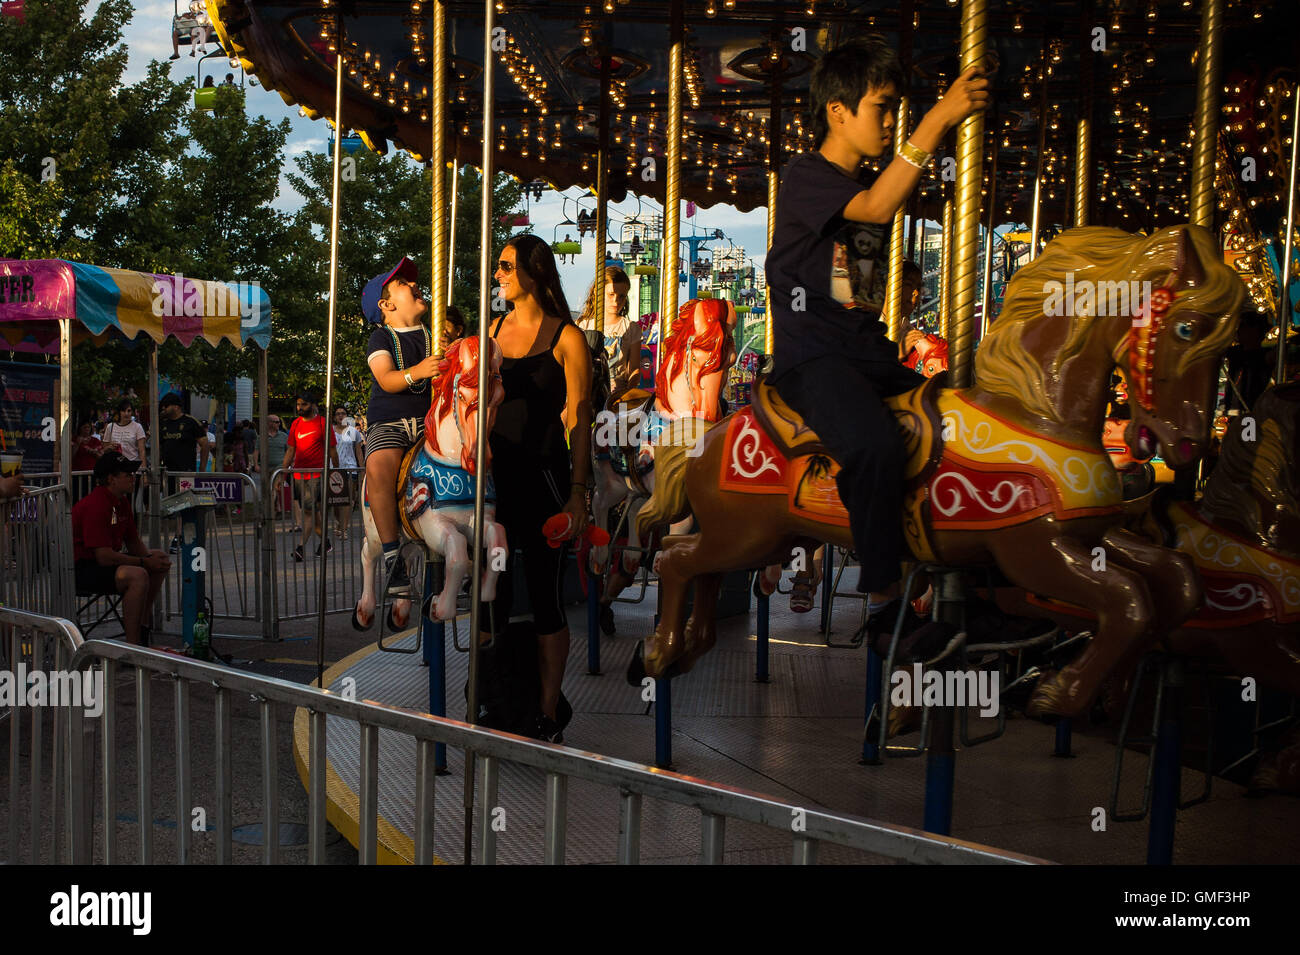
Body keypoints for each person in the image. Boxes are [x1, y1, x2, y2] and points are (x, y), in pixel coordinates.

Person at [765, 35, 987, 647]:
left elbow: (858, 293)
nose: (890, 121)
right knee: (873, 446)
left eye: (895, 110)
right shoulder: (810, 177)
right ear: (838, 112)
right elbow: (879, 205)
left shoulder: (857, 186)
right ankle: (885, 595)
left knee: (962, 426)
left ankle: (972, 579)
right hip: (812, 358)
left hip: (864, 353)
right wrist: (939, 119)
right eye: (880, 108)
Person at [468, 233, 593, 743]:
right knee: (487, 593)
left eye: (504, 266)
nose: (496, 274)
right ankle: (489, 697)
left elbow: (582, 419)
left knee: (545, 595)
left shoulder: (567, 337)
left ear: (533, 272)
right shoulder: (493, 330)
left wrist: (579, 490)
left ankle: (545, 711)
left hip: (544, 477)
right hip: (495, 481)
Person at [360, 256, 440, 595]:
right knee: (379, 465)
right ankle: (392, 556)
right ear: (386, 304)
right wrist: (420, 371)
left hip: (428, 421)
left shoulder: (433, 336)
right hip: (390, 419)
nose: (413, 285)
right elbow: (387, 379)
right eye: (403, 284)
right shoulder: (381, 339)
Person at [71, 451, 170, 645]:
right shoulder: (96, 505)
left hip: (104, 562)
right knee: (137, 575)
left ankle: (142, 626)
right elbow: (104, 557)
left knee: (160, 560)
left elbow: (133, 541)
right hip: (81, 568)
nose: (133, 478)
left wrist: (151, 559)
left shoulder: (122, 501)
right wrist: (143, 562)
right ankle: (132, 647)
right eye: (127, 475)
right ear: (111, 479)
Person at [273, 392, 337, 561]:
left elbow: (332, 450)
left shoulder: (323, 423)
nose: (300, 408)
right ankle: (326, 543)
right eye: (298, 405)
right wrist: (282, 474)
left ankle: (300, 548)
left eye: (304, 404)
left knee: (308, 511)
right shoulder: (295, 423)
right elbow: (291, 450)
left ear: (313, 405)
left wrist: (337, 472)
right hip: (298, 475)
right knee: (313, 512)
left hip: (317, 474)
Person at [577, 266, 642, 398]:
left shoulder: (630, 328)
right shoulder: (583, 326)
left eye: (621, 296)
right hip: (588, 391)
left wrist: (627, 394)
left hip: (617, 394)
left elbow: (634, 368)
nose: (616, 301)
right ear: (598, 293)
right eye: (611, 295)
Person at [331, 405, 364, 539]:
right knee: (335, 502)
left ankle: (344, 528)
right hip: (334, 469)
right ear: (334, 417)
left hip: (351, 468)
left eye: (343, 413)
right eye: (338, 413)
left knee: (348, 500)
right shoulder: (330, 432)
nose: (340, 416)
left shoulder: (353, 432)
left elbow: (358, 452)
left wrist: (362, 470)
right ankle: (339, 522)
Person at [101, 398, 147, 467]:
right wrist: (110, 447)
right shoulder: (110, 426)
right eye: (123, 410)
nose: (126, 413)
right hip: (115, 468)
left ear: (132, 412)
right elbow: (105, 449)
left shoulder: (137, 427)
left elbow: (142, 452)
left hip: (132, 468)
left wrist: (144, 473)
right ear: (119, 412)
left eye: (129, 411)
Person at [262, 412, 289, 517]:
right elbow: (256, 450)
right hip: (266, 466)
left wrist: (289, 463)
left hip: (280, 466)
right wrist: (256, 464)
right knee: (268, 488)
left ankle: (270, 511)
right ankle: (277, 506)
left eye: (279, 422)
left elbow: (289, 451)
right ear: (269, 423)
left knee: (274, 487)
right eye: (277, 422)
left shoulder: (283, 436)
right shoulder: (262, 436)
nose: (279, 424)